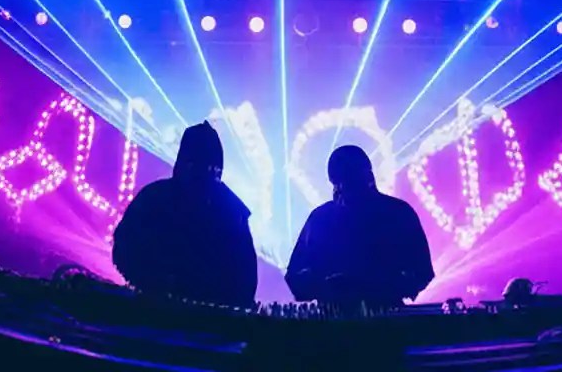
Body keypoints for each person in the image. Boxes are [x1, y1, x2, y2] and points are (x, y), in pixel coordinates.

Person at [112, 122, 257, 307]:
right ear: (182, 163)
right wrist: (156, 281)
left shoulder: (232, 211)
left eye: (211, 169)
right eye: (196, 166)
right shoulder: (155, 198)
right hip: (155, 310)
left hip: (210, 323)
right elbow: (124, 247)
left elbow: (246, 278)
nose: (203, 174)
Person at [285, 145, 434, 307]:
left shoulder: (398, 213)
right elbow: (294, 278)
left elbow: (422, 272)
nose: (341, 188)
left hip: (381, 319)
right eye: (338, 182)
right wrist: (326, 285)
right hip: (347, 321)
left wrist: (372, 285)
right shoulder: (320, 218)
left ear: (367, 177)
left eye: (348, 180)